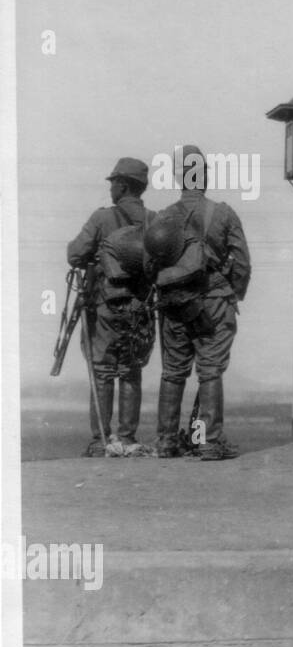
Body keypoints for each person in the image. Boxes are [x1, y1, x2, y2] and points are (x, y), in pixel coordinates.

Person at [145, 144, 251, 461]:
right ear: (204, 176)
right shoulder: (223, 213)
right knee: (210, 371)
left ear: (179, 179)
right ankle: (207, 441)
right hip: (214, 302)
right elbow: (243, 263)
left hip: (175, 304)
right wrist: (231, 292)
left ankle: (165, 441)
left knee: (173, 372)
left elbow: (150, 265)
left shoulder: (163, 216)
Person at [66, 157, 157, 458]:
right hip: (140, 308)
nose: (111, 189)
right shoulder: (155, 220)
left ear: (123, 185)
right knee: (131, 370)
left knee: (103, 371)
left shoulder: (102, 218)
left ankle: (100, 441)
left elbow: (75, 253)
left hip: (105, 306)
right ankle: (128, 438)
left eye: (114, 183)